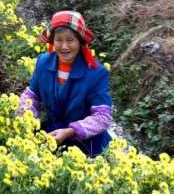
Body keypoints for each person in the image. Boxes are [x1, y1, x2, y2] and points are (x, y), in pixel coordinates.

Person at [17, 10, 112, 157]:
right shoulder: (43, 62)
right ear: (52, 41)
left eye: (70, 40)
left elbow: (103, 117)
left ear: (80, 42)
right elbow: (31, 95)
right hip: (52, 136)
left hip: (88, 146)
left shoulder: (96, 73)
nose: (64, 46)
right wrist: (27, 117)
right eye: (59, 40)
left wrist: (71, 131)